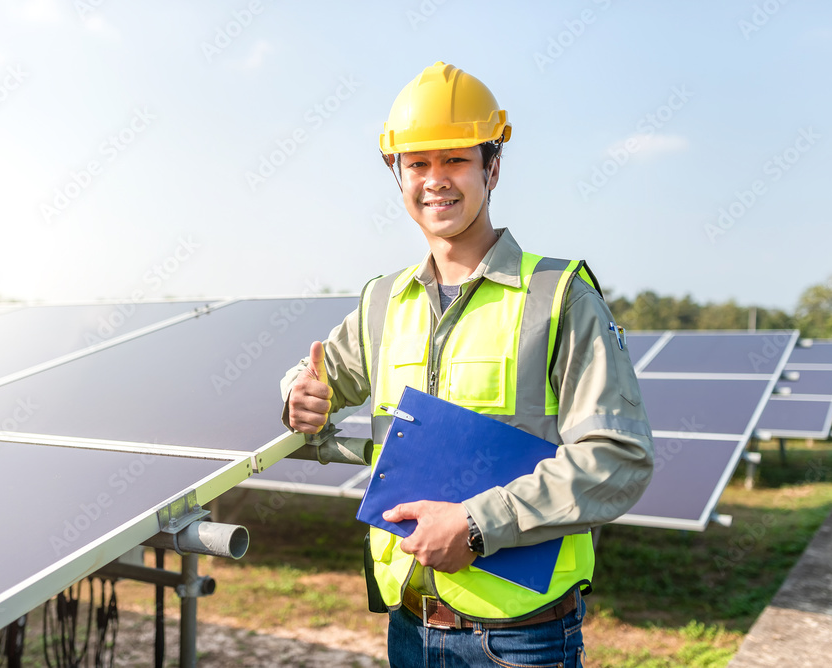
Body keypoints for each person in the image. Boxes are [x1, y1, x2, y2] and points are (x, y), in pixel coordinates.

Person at [280, 61, 654, 667]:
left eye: (455, 160)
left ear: (493, 167)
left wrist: (479, 524)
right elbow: (317, 376)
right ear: (397, 175)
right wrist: (299, 396)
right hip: (410, 628)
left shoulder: (559, 295)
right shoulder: (383, 300)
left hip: (520, 640)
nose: (435, 181)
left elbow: (618, 457)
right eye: (418, 164)